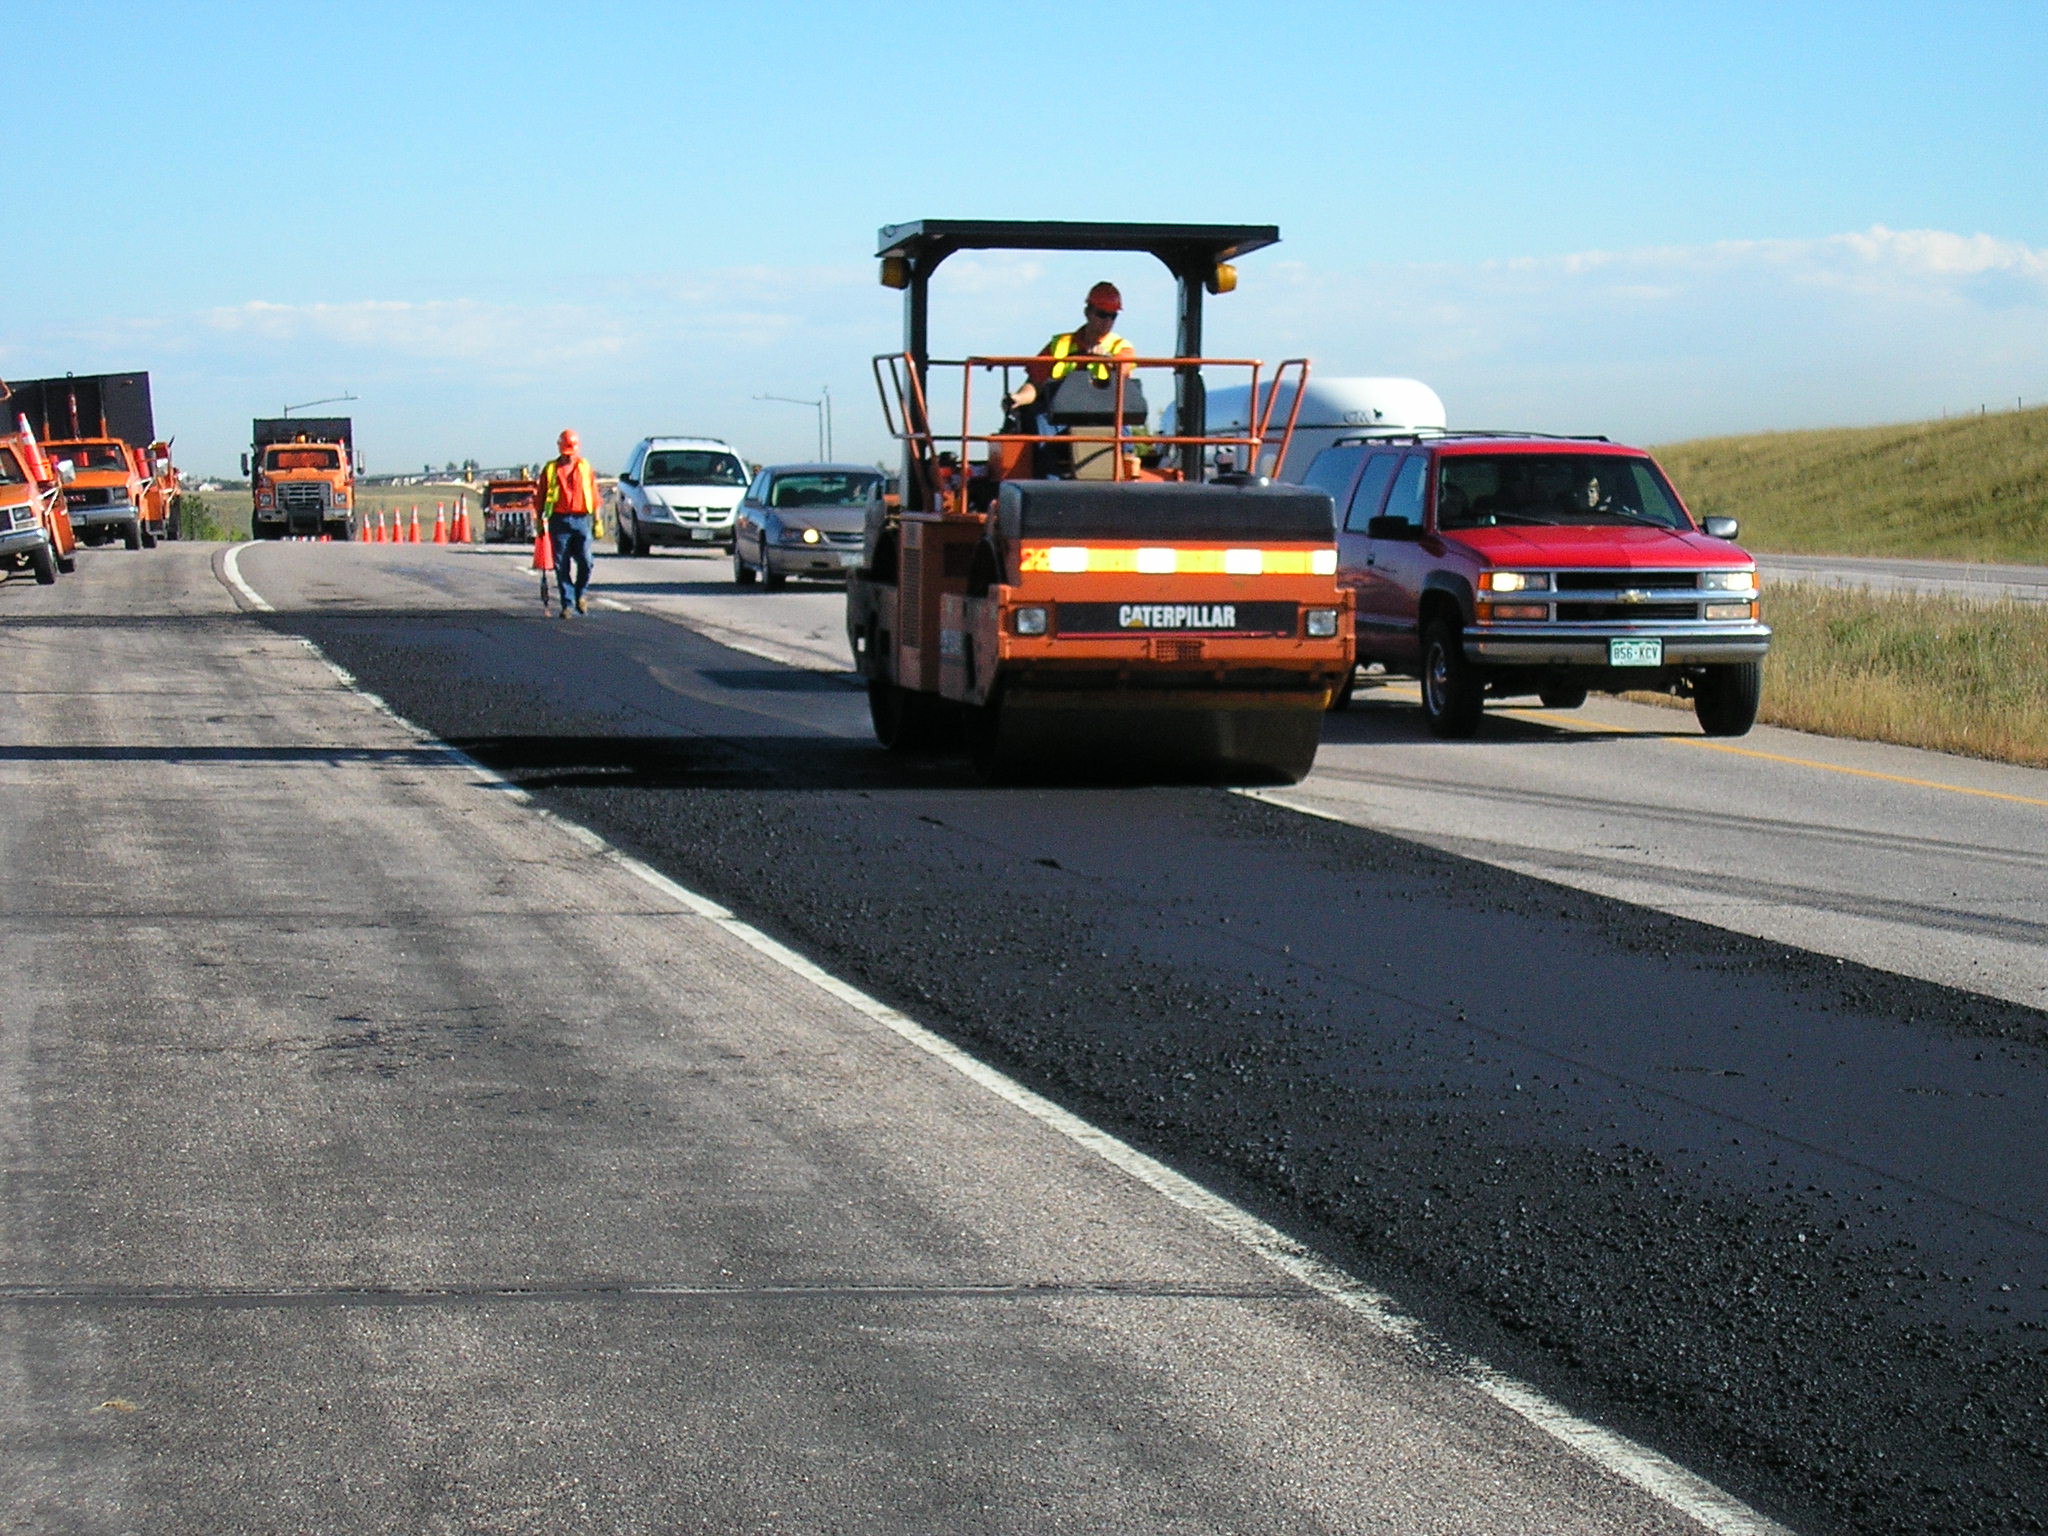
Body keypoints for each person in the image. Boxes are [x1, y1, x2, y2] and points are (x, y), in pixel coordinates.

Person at [1001, 281, 1136, 421]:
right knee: (1038, 419)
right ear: (1087, 312)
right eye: (1102, 314)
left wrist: (1107, 359)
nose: (1108, 321)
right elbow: (1036, 383)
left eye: (1112, 316)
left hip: (1107, 415)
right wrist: (1018, 398)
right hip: (1061, 415)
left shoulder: (1121, 347)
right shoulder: (1059, 344)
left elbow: (1123, 370)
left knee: (1123, 434)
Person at [539, 429, 598, 616]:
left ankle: (581, 593)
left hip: (582, 519)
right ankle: (567, 604)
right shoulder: (550, 469)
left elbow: (594, 495)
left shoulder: (585, 467)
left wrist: (597, 521)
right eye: (566, 454)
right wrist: (539, 522)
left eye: (571, 453)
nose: (568, 457)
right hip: (559, 520)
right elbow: (540, 497)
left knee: (586, 561)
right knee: (561, 564)